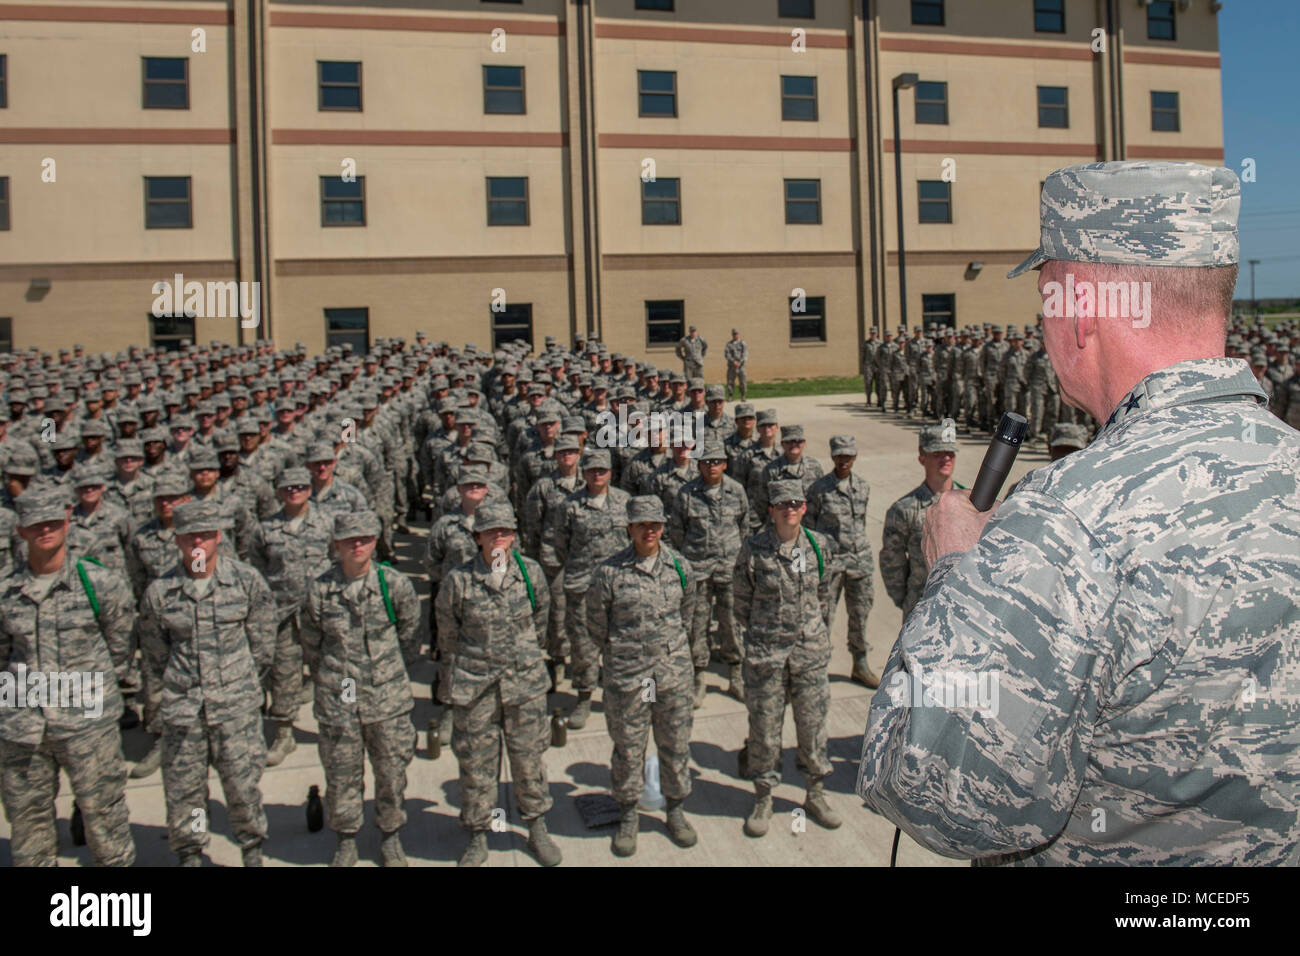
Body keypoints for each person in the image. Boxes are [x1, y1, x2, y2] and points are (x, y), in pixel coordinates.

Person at [858, 160, 1300, 865]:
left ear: (1083, 310)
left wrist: (956, 583)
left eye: (1046, 297)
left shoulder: (1061, 525)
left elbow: (936, 797)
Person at [0, 488, 137, 867]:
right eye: (34, 524)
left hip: (86, 722)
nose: (45, 530)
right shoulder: (6, 591)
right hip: (23, 724)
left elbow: (121, 642)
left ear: (66, 521)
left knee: (104, 818)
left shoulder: (97, 581)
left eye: (52, 522)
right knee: (27, 824)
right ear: (22, 531)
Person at [138, 499, 277, 866]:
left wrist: (240, 686)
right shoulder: (160, 592)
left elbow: (263, 647)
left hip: (235, 709)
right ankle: (192, 855)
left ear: (219, 535)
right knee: (187, 794)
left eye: (205, 534)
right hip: (184, 714)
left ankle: (252, 850)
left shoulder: (246, 582)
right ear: (177, 539)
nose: (197, 542)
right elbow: (155, 655)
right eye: (188, 536)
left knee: (243, 788)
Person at [435, 501, 560, 868]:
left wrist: (521, 653)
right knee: (476, 763)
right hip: (475, 687)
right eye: (491, 532)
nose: (499, 538)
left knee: (529, 760)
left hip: (524, 683)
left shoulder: (531, 573)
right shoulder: (458, 580)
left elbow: (542, 619)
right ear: (478, 538)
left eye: (505, 531)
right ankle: (477, 833)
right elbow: (448, 633)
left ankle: (536, 827)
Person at [301, 511, 421, 867]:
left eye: (364, 538)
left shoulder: (394, 584)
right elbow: (311, 643)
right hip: (339, 698)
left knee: (391, 772)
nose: (357, 545)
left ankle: (390, 836)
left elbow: (411, 637)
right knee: (341, 774)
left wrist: (386, 671)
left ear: (374, 541)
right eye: (349, 540)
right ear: (336, 544)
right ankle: (347, 838)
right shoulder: (320, 590)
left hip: (386, 698)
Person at [585, 496, 698, 857]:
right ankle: (629, 814)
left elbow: (689, 615)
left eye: (656, 524)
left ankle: (675, 809)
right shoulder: (609, 573)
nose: (650, 530)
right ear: (629, 527)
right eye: (642, 524)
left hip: (672, 675)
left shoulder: (680, 567)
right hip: (629, 677)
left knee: (675, 744)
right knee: (629, 748)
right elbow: (595, 625)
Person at [733, 479, 839, 837]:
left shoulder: (819, 545)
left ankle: (815, 793)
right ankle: (763, 796)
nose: (789, 508)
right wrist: (763, 636)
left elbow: (826, 596)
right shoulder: (754, 549)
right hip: (767, 656)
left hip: (809, 654)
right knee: (764, 732)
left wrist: (817, 636)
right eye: (782, 504)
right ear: (771, 509)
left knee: (813, 729)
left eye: (796, 503)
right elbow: (740, 601)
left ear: (804, 508)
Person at [250, 466, 336, 767]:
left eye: (300, 487)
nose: (294, 492)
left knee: (330, 670)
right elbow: (258, 572)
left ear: (309, 490)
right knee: (284, 674)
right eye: (288, 488)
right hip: (282, 614)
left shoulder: (327, 522)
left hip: (320, 612)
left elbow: (341, 562)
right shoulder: (265, 530)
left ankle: (335, 727)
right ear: (279, 492)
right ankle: (284, 732)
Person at [545, 448, 630, 729]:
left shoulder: (624, 502)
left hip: (617, 585)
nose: (597, 475)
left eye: (602, 470)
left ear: (610, 473)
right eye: (592, 470)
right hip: (581, 584)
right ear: (583, 473)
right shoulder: (569, 506)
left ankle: (620, 695)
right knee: (582, 645)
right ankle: (583, 695)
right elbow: (561, 545)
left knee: (620, 641)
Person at [667, 439, 749, 704]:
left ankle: (736, 673)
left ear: (724, 464)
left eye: (716, 461)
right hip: (699, 570)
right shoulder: (687, 494)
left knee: (731, 623)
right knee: (697, 624)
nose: (711, 466)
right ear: (698, 464)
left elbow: (744, 527)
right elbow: (677, 532)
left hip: (728, 569)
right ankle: (698, 675)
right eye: (706, 462)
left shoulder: (736, 491)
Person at [805, 435, 877, 687]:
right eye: (839, 455)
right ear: (832, 456)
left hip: (860, 563)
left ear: (854, 457)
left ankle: (860, 663)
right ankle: (817, 665)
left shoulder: (863, 487)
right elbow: (809, 531)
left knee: (860, 616)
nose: (843, 460)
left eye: (847, 456)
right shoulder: (818, 490)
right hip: (831, 565)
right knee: (823, 618)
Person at [879, 425, 957, 621]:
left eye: (950, 453)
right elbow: (891, 563)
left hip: (961, 609)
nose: (945, 458)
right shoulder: (904, 509)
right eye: (937, 453)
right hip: (922, 610)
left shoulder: (970, 503)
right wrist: (909, 600)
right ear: (922, 458)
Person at [724, 329, 749, 400]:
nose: (735, 335)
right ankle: (731, 396)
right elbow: (727, 354)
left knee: (743, 381)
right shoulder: (729, 344)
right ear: (732, 335)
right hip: (732, 366)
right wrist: (733, 361)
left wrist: (740, 362)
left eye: (736, 334)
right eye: (734, 334)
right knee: (730, 382)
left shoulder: (742, 343)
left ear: (738, 334)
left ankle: (743, 395)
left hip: (741, 366)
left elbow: (745, 354)